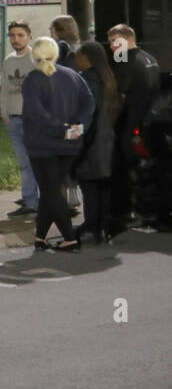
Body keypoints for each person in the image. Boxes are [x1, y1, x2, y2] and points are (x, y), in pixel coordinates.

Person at [22, 36, 94, 252]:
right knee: (51, 190)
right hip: (70, 146)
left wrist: (60, 130)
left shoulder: (32, 79)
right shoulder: (73, 76)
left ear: (35, 55)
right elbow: (89, 104)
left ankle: (70, 238)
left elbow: (36, 113)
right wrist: (77, 128)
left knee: (51, 192)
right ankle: (40, 237)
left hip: (42, 145)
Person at [107, 23, 161, 234]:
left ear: (128, 39)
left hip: (131, 125)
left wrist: (110, 120)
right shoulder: (149, 58)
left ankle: (126, 211)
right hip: (148, 122)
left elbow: (119, 94)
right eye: (110, 41)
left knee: (125, 169)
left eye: (114, 41)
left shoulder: (126, 60)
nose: (112, 46)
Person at [72, 41, 118, 244]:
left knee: (89, 187)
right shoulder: (108, 80)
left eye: (78, 56)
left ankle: (90, 225)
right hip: (106, 140)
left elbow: (84, 115)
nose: (76, 60)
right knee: (103, 187)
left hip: (90, 142)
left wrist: (73, 137)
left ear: (87, 58)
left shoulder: (85, 81)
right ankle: (103, 227)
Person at [0, 20, 38, 218]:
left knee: (38, 162)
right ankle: (30, 202)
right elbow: (4, 89)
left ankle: (46, 202)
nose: (16, 39)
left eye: (20, 35)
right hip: (14, 120)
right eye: (12, 35)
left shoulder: (35, 59)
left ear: (29, 36)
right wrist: (4, 114)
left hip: (34, 120)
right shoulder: (8, 61)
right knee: (24, 164)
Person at [48, 15, 83, 212]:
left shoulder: (60, 48)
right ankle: (74, 191)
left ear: (58, 30)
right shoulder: (80, 48)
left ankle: (64, 199)